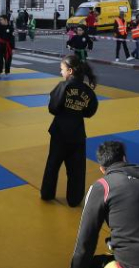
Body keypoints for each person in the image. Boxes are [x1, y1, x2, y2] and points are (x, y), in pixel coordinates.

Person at [40, 54, 99, 207]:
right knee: (77, 169)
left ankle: (47, 194)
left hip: (59, 132)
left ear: (70, 71)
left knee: (53, 164)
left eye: (62, 69)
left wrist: (64, 109)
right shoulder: (88, 91)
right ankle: (74, 199)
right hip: (77, 134)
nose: (61, 72)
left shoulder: (63, 86)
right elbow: (90, 112)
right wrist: (77, 111)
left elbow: (53, 108)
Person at [0, 15, 15, 79]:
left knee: (8, 60)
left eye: (1, 19)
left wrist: (13, 48)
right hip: (0, 45)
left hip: (8, 46)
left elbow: (12, 38)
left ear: (5, 20)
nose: (0, 21)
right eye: (0, 19)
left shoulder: (11, 28)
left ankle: (7, 72)